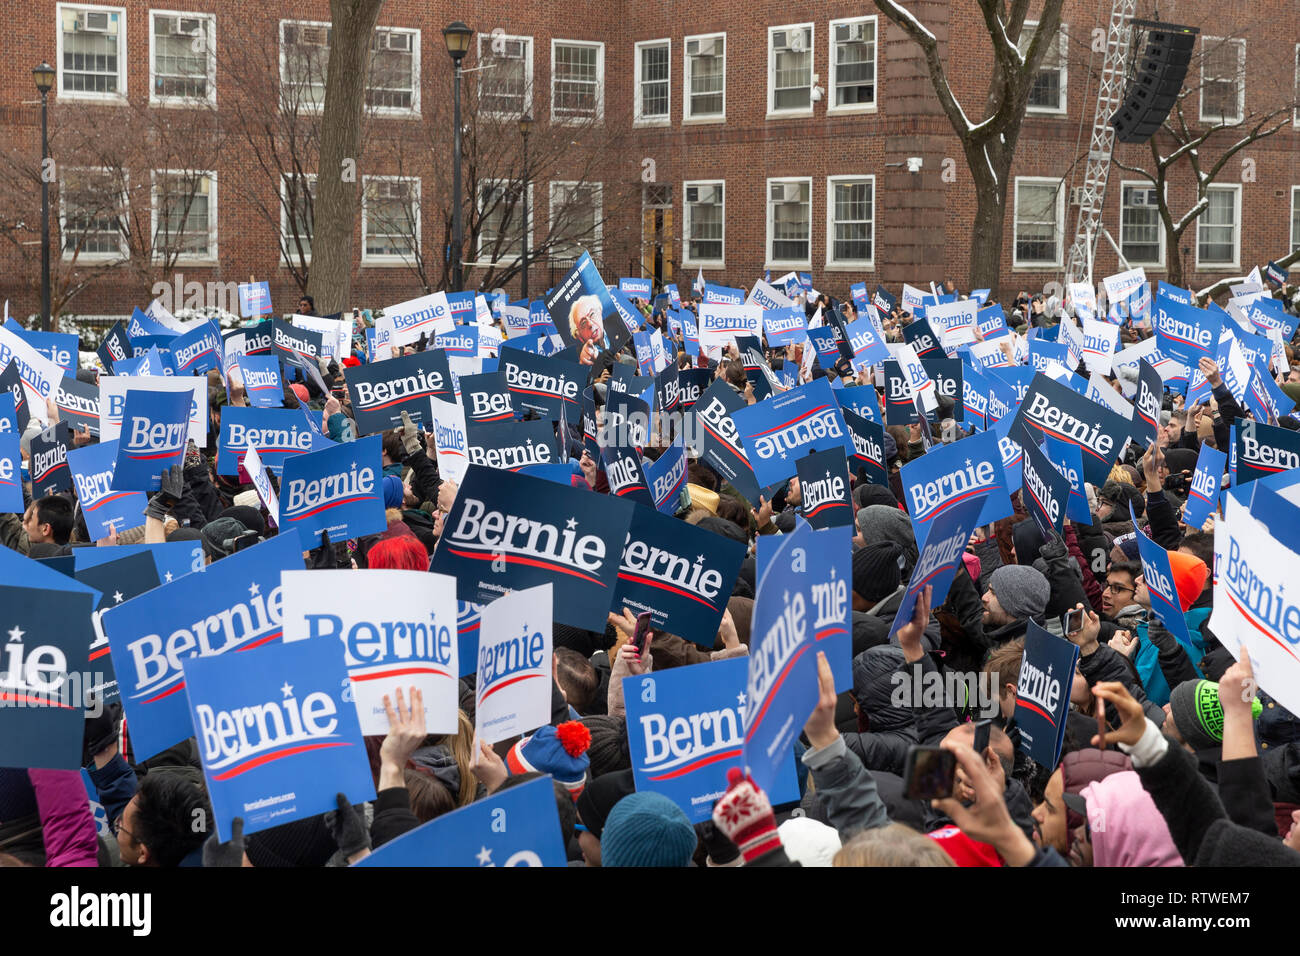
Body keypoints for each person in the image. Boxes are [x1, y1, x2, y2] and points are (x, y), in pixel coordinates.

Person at [569, 294, 606, 365]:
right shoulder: (579, 358)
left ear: (600, 312)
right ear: (579, 336)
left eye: (592, 314)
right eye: (583, 323)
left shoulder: (618, 323)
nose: (590, 324)